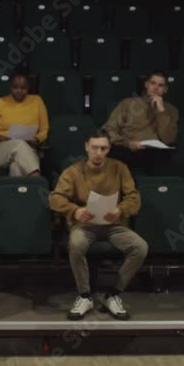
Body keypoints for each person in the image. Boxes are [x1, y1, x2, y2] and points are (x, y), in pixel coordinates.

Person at [49, 127, 147, 321]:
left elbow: (134, 197)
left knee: (140, 247)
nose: (99, 153)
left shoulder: (119, 168)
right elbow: (55, 198)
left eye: (103, 148)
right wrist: (75, 210)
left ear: (109, 149)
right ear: (87, 147)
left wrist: (121, 209)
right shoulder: (74, 171)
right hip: (84, 226)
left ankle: (113, 294)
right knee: (76, 244)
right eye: (95, 148)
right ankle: (85, 295)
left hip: (114, 225)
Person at [103, 70, 179, 172]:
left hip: (155, 153)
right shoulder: (128, 103)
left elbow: (169, 139)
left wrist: (161, 111)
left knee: (167, 163)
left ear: (165, 89)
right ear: (146, 84)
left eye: (160, 85)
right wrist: (128, 143)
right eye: (153, 83)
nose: (156, 87)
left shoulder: (171, 110)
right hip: (127, 149)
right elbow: (109, 130)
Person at [0, 70, 49, 177]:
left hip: (28, 149)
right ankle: (36, 177)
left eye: (23, 88)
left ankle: (16, 193)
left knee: (16, 166)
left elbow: (44, 130)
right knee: (18, 144)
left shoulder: (37, 101)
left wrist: (37, 139)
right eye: (15, 87)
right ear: (10, 87)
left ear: (28, 87)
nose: (19, 91)